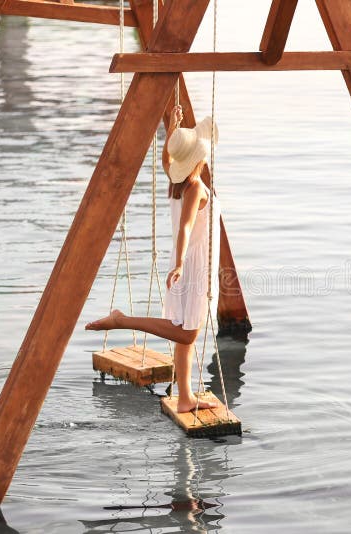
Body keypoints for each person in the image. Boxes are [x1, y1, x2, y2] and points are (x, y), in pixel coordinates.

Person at [86, 105, 221, 414]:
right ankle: (122, 320)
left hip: (184, 261)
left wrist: (171, 129)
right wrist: (181, 264)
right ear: (199, 160)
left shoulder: (177, 184)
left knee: (183, 335)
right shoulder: (196, 187)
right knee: (186, 332)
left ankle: (185, 397)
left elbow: (166, 160)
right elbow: (186, 226)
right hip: (193, 264)